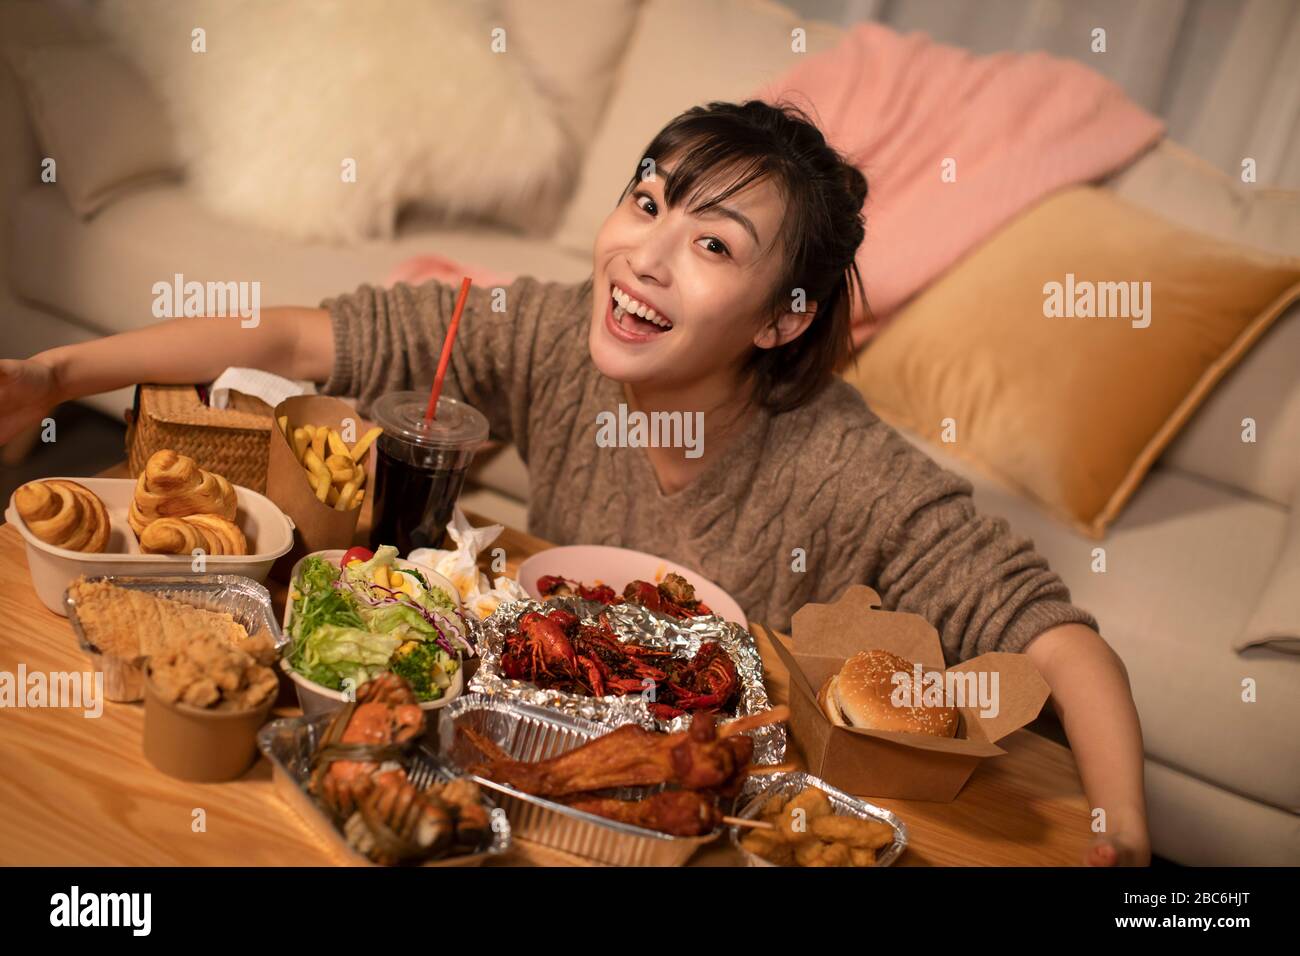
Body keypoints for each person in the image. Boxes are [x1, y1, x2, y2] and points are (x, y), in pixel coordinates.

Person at [0, 100, 1149, 865]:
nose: (642, 254)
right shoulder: (551, 335)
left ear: (784, 314)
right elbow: (307, 342)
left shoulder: (845, 467)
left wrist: (1123, 831)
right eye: (645, 202)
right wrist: (57, 373)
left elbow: (1051, 632)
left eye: (711, 244)